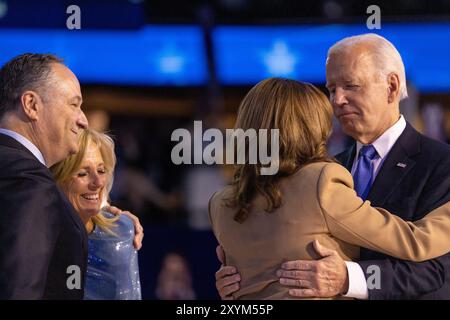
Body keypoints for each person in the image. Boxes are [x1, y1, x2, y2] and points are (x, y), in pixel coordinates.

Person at [215, 34, 450, 300]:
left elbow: (440, 271)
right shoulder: (321, 172)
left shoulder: (441, 164)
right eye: (331, 89)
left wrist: (349, 279)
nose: (337, 100)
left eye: (351, 85)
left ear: (392, 87)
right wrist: (242, 280)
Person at [0, 53, 89, 299]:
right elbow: (20, 287)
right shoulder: (29, 179)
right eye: (74, 104)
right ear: (31, 105)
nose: (84, 120)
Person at [51, 128, 142, 300]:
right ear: (57, 178)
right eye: (83, 173)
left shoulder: (122, 231)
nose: (98, 182)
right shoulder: (39, 238)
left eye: (101, 171)